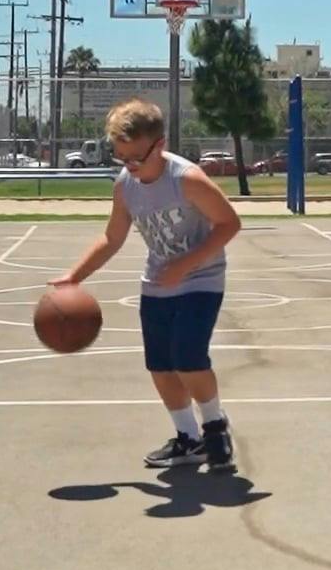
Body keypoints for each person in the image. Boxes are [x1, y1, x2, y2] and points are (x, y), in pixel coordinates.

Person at [54, 99, 241, 471]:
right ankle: (188, 438)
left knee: (188, 357)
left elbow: (229, 223)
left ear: (160, 144)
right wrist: (74, 276)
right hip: (157, 283)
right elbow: (112, 238)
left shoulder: (186, 180)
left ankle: (215, 427)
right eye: (122, 158)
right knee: (160, 365)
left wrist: (186, 264)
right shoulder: (126, 187)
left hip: (201, 280)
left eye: (137, 158)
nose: (130, 166)